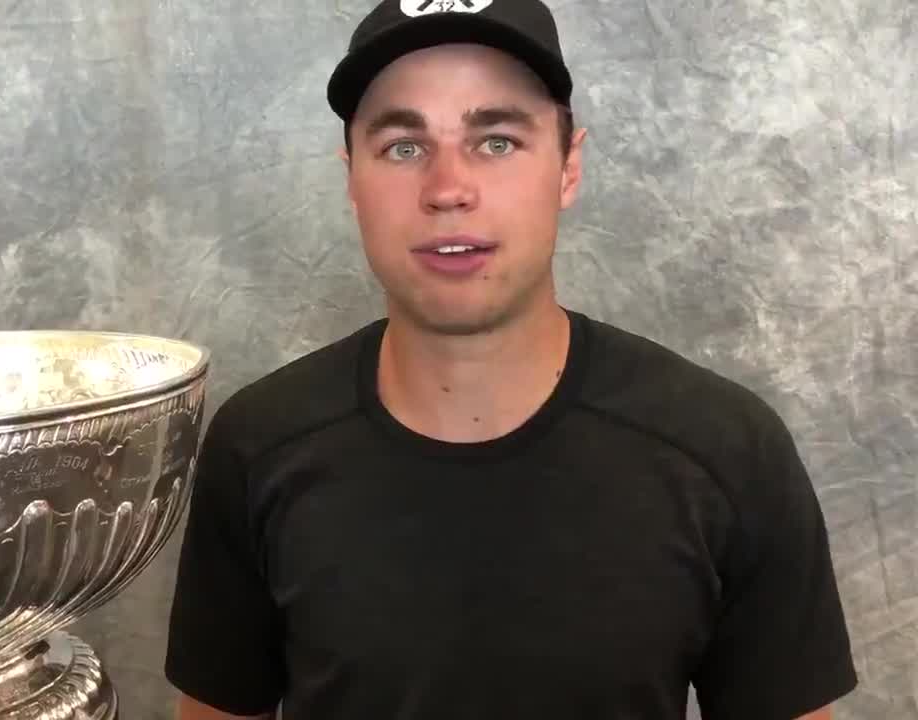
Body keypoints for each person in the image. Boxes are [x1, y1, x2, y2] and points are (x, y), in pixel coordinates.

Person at [163, 0, 859, 718]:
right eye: (403, 147)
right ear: (351, 177)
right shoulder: (259, 446)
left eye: (496, 141)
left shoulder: (728, 451)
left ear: (568, 167)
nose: (447, 189)